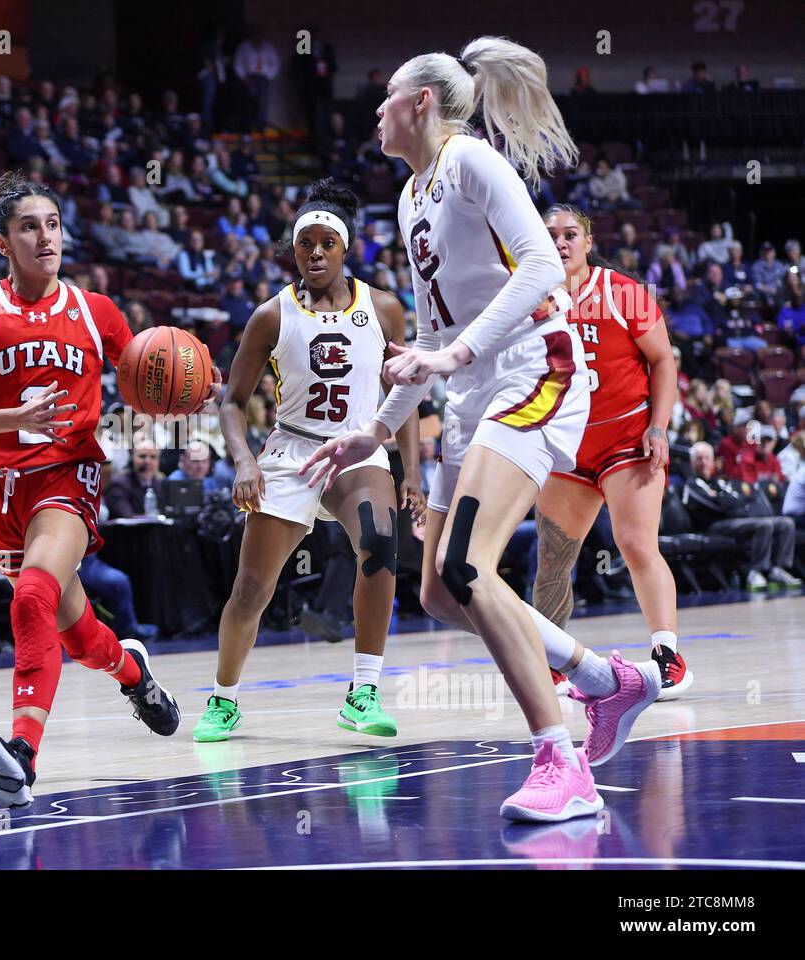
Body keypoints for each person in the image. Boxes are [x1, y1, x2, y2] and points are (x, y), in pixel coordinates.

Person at [301, 39, 661, 823]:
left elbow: (539, 264)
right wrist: (374, 431)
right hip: (471, 390)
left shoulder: (471, 162)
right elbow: (427, 337)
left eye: (386, 95)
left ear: (422, 102)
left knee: (467, 565)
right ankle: (606, 679)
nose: (375, 110)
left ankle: (560, 762)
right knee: (437, 589)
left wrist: (460, 349)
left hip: (534, 368)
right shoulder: (408, 197)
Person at [0, 171, 201, 808]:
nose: (44, 236)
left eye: (52, 224)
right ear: (3, 242)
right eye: (28, 226)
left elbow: (150, 371)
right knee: (76, 634)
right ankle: (135, 676)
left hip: (67, 475)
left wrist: (189, 385)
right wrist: (12, 420)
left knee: (33, 595)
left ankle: (22, 753)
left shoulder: (94, 311)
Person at [194, 179, 422, 743]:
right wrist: (244, 460)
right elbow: (231, 400)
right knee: (252, 588)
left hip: (357, 448)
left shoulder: (385, 308)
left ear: (345, 249)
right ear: (294, 251)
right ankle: (224, 698)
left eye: (327, 244)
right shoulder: (271, 316)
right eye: (305, 245)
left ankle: (364, 691)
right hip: (292, 449)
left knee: (381, 543)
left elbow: (406, 395)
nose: (316, 253)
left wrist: (412, 472)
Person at [531, 205, 688, 698]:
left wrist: (659, 428)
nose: (560, 242)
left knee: (637, 543)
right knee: (553, 555)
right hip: (568, 445)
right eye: (549, 234)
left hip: (627, 439)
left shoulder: (624, 293)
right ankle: (552, 664)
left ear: (588, 241)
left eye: (570, 234)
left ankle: (667, 658)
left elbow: (663, 360)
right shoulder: (529, 300)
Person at [683, 442, 800, 590]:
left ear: (713, 461)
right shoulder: (692, 485)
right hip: (713, 526)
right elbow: (710, 505)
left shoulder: (719, 483)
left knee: (786, 523)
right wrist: (724, 501)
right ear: (692, 463)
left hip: (733, 521)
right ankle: (755, 572)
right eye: (699, 459)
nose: (704, 462)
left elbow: (738, 501)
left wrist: (720, 498)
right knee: (764, 524)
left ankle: (778, 569)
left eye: (707, 458)